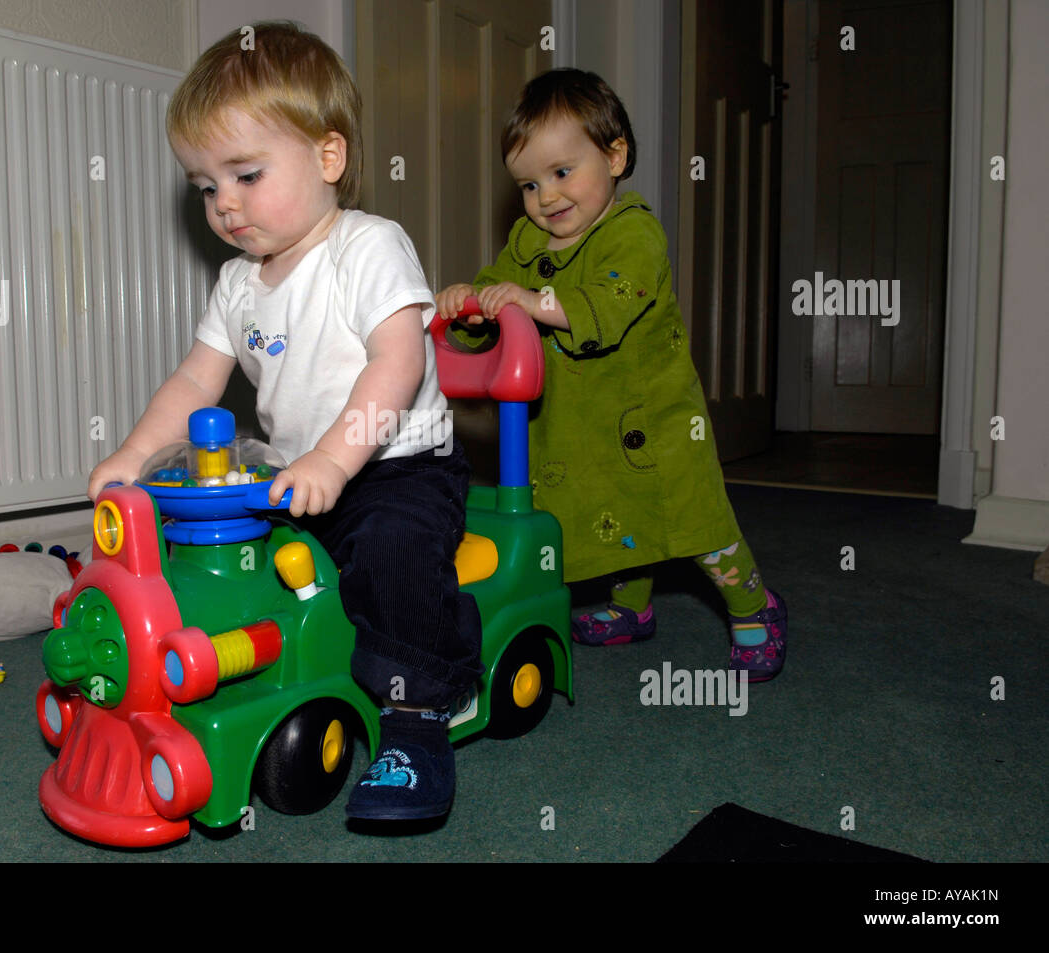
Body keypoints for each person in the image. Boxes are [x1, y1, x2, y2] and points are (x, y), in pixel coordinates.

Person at [88, 21, 480, 820]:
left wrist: (337, 461)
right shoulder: (238, 285)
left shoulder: (368, 248)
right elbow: (197, 379)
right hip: (292, 475)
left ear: (327, 157)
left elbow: (397, 362)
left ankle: (417, 718)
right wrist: (134, 454)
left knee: (388, 547)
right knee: (225, 558)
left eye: (245, 174)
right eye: (205, 186)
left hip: (394, 465)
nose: (224, 203)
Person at [436, 69, 786, 680]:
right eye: (528, 184)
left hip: (653, 423)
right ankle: (632, 607)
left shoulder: (635, 233)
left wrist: (529, 300)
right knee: (605, 511)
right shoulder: (527, 240)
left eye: (562, 173)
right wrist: (467, 306)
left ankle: (754, 606)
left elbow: (608, 304)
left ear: (616, 155)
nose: (546, 197)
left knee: (692, 520)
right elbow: (495, 297)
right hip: (576, 418)